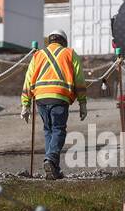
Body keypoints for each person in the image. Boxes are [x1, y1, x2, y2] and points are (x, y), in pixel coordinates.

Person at [21, 30, 87, 179]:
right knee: (58, 130)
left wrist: (25, 104)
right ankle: (50, 159)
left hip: (41, 98)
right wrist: (82, 103)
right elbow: (79, 79)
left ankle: (53, 170)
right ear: (64, 41)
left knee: (48, 131)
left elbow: (28, 79)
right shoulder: (69, 53)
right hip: (60, 97)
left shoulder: (38, 55)